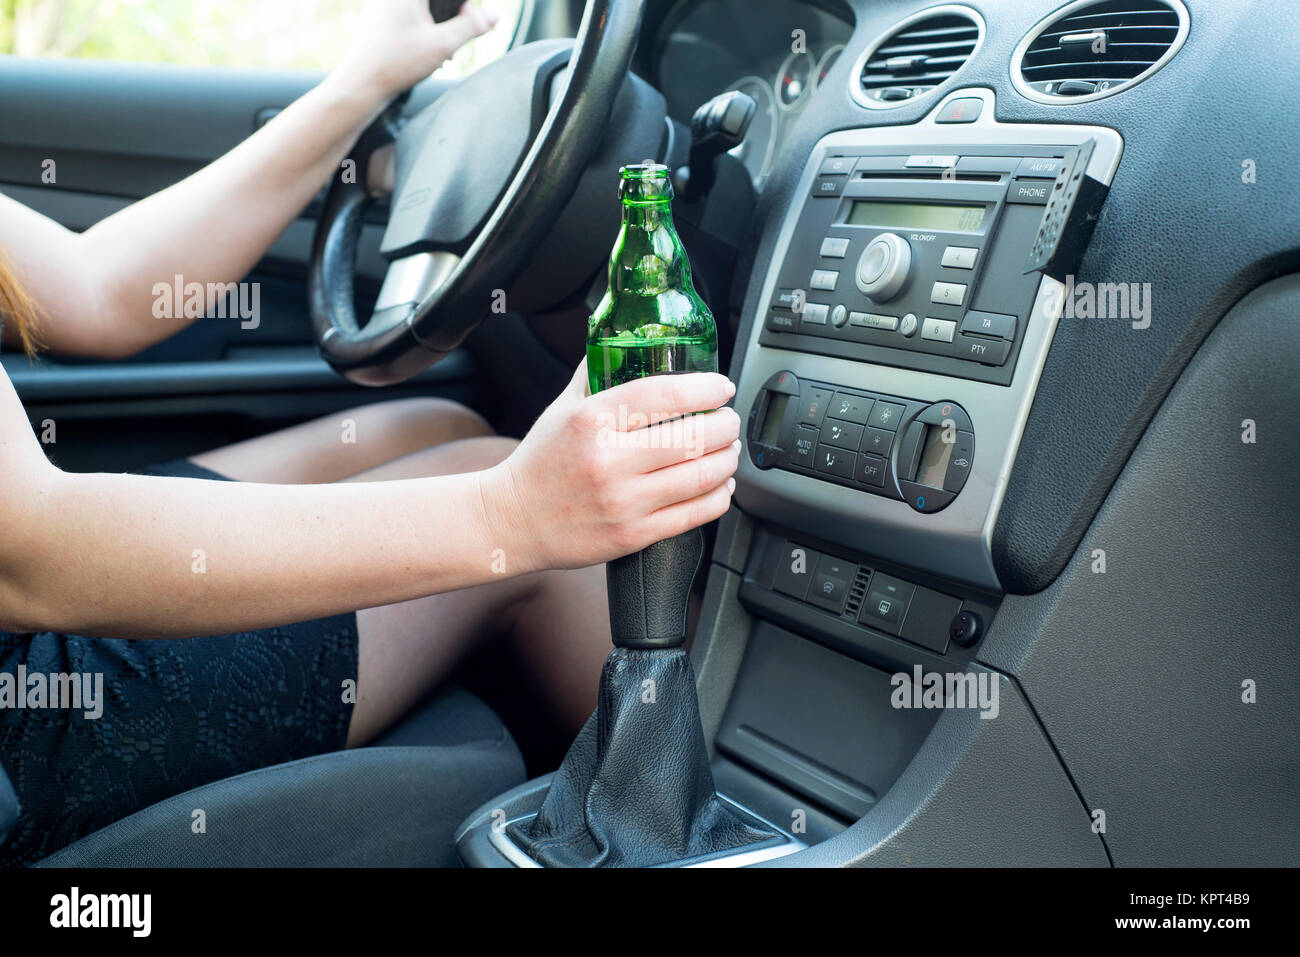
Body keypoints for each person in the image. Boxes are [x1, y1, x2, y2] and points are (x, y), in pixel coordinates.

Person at [0, 0, 741, 865]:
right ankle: (726, 814)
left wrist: (364, 80)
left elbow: (100, 286)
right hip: (32, 704)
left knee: (439, 425)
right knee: (532, 539)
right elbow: (32, 557)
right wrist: (510, 517)